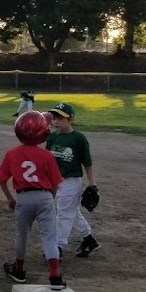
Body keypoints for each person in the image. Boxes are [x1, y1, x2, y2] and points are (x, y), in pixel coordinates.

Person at [0, 111, 66, 290]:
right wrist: (49, 198)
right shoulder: (47, 155)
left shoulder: (12, 153)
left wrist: (11, 199)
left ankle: (19, 271)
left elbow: (2, 180)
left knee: (22, 235)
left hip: (24, 197)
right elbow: (55, 182)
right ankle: (55, 276)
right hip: (44, 196)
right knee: (49, 236)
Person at [46, 103, 100, 258]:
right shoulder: (53, 137)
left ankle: (58, 246)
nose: (55, 121)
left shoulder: (79, 138)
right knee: (70, 211)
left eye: (60, 118)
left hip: (71, 180)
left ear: (71, 119)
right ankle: (89, 240)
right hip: (55, 181)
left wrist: (92, 183)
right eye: (54, 118)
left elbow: (87, 163)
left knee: (63, 213)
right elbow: (48, 159)